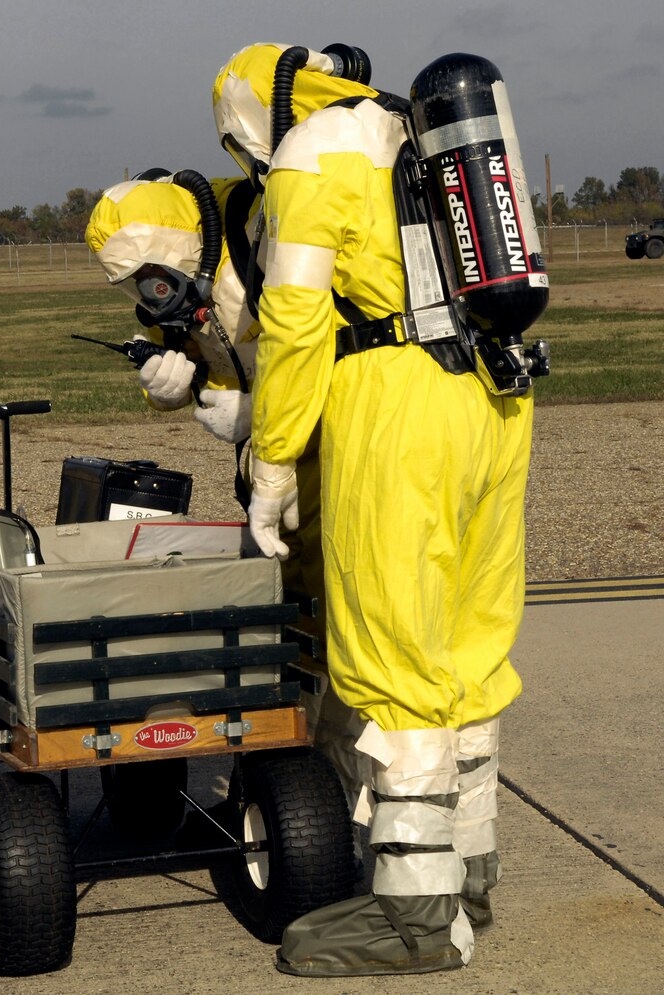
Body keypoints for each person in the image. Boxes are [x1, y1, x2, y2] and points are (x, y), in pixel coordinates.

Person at [213, 44, 536, 975]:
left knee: (393, 660)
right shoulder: (412, 129)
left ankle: (413, 917)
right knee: (466, 654)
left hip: (397, 409)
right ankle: (469, 875)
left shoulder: (312, 148)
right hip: (493, 396)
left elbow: (298, 318)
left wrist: (273, 454)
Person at [85, 173, 366, 803]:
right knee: (290, 617)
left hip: (337, 454)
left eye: (148, 275)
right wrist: (166, 391)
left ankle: (336, 790)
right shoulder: (178, 288)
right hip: (268, 473)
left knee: (341, 617)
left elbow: (326, 360)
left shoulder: (263, 248)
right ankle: (298, 781)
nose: (147, 294)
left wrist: (253, 411)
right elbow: (189, 359)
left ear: (177, 246)